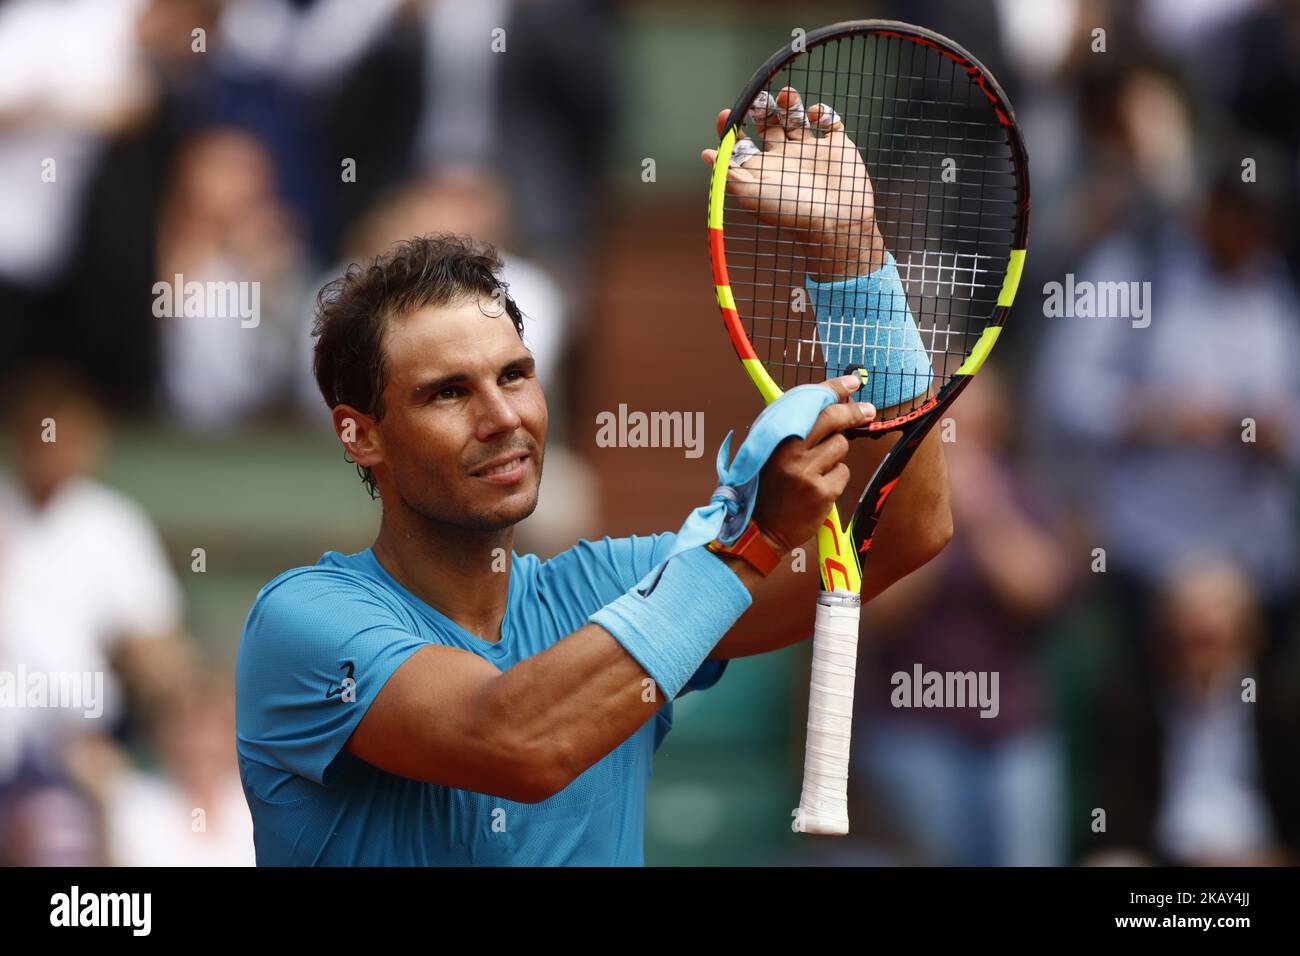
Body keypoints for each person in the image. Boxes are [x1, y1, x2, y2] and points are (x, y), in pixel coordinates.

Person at [234, 89, 953, 865]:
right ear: (360, 435)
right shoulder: (300, 627)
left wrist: (852, 259)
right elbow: (516, 741)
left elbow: (905, 531)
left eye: (515, 376)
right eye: (448, 392)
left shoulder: (618, 588)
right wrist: (750, 546)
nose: (502, 415)